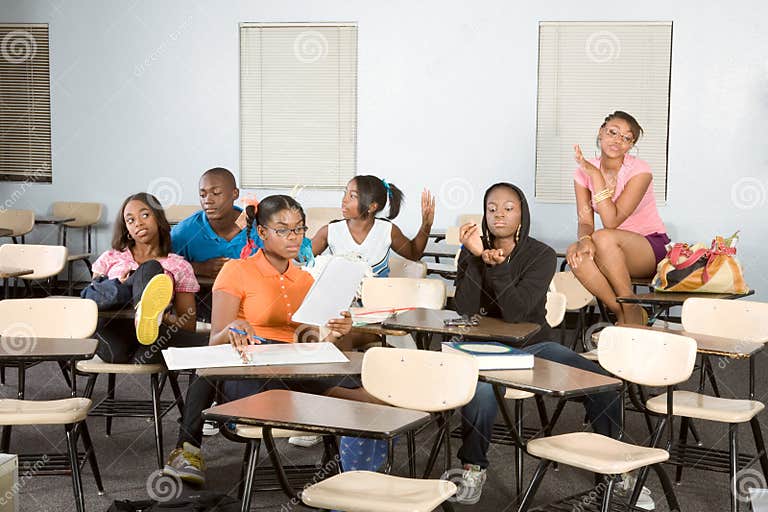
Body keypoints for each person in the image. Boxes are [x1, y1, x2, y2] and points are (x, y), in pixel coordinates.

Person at [163, 195, 379, 486]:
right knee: (333, 391)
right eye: (282, 229)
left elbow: (311, 342)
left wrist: (340, 333)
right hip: (250, 375)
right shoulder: (236, 271)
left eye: (299, 229)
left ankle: (357, 479)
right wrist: (235, 327)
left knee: (358, 387)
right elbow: (216, 343)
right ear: (262, 232)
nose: (293, 237)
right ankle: (187, 449)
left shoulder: (305, 279)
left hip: (297, 370)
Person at [453, 182, 623, 505]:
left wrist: (496, 266)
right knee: (480, 389)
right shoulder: (472, 251)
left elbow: (517, 312)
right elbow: (465, 308)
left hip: (533, 347)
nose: (499, 214)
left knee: (604, 384)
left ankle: (614, 469)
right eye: (491, 209)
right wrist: (475, 258)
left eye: (508, 208)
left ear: (522, 215)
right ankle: (473, 466)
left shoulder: (541, 255)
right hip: (486, 351)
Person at [566, 111, 669, 325]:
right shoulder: (583, 172)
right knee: (575, 254)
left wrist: (595, 175)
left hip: (650, 247)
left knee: (603, 236)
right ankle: (623, 311)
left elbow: (612, 221)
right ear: (601, 132)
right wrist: (585, 241)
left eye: (626, 138)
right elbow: (585, 222)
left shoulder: (639, 170)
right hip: (611, 250)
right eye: (613, 132)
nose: (618, 140)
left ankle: (629, 306)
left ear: (631, 145)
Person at [89, 193, 205, 364]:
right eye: (130, 220)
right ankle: (142, 311)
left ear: (158, 218)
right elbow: (94, 295)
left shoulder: (178, 266)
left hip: (153, 337)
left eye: (145, 215)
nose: (139, 223)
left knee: (152, 268)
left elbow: (188, 325)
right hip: (113, 332)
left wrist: (163, 317)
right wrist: (118, 284)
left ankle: (149, 318)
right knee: (148, 270)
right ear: (127, 230)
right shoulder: (110, 257)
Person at [171, 167, 261, 321]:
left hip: (252, 302)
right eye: (202, 195)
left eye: (216, 193)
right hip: (204, 302)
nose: (208, 200)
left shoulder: (259, 228)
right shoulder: (184, 232)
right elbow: (160, 265)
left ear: (235, 194)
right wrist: (199, 268)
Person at [311, 175, 435, 275]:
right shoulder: (330, 231)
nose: (344, 200)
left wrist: (426, 225)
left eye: (352, 196)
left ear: (372, 206)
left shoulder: (388, 230)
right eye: (345, 193)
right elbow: (301, 258)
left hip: (378, 299)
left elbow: (414, 254)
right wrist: (294, 232)